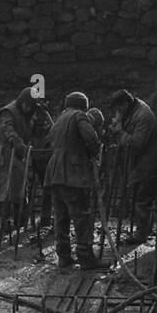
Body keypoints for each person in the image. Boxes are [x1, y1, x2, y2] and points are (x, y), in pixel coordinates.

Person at [43, 91, 109, 272]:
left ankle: (64, 257)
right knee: (82, 217)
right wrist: (94, 151)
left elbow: (50, 142)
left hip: (54, 174)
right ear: (84, 106)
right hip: (73, 174)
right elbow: (90, 137)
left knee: (61, 218)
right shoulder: (79, 116)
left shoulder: (60, 119)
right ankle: (86, 259)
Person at [0, 88, 53, 232]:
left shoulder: (28, 114)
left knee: (19, 187)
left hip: (18, 153)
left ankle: (18, 219)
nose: (29, 109)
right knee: (2, 185)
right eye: (28, 105)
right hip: (3, 151)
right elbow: (7, 128)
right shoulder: (8, 111)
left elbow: (37, 131)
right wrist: (17, 142)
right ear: (23, 101)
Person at [108, 89, 157, 241]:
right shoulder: (130, 110)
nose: (117, 111)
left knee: (142, 198)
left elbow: (138, 143)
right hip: (136, 162)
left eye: (119, 108)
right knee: (138, 197)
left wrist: (120, 133)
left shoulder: (143, 115)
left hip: (147, 162)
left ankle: (141, 234)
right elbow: (120, 122)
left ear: (126, 103)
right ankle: (143, 229)